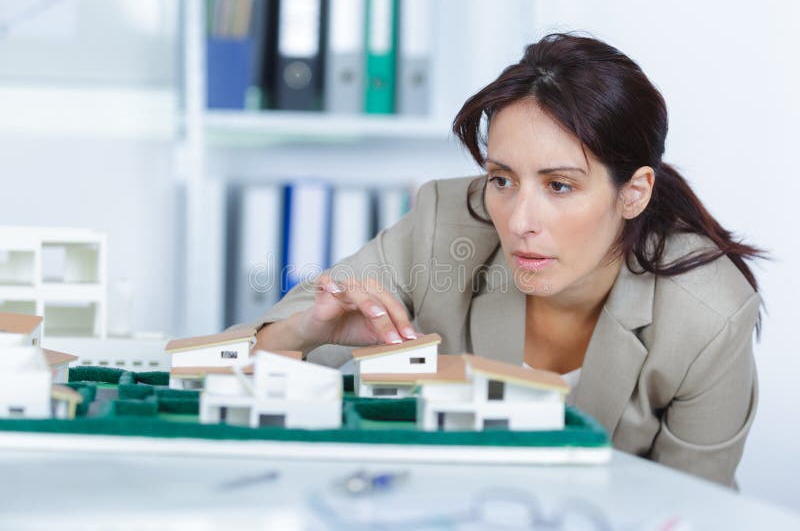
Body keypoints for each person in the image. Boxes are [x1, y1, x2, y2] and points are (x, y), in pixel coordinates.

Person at [230, 33, 767, 489]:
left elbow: (695, 512)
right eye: (502, 180)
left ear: (634, 193)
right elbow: (227, 377)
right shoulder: (446, 224)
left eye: (560, 185)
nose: (518, 220)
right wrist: (300, 333)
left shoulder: (709, 316)